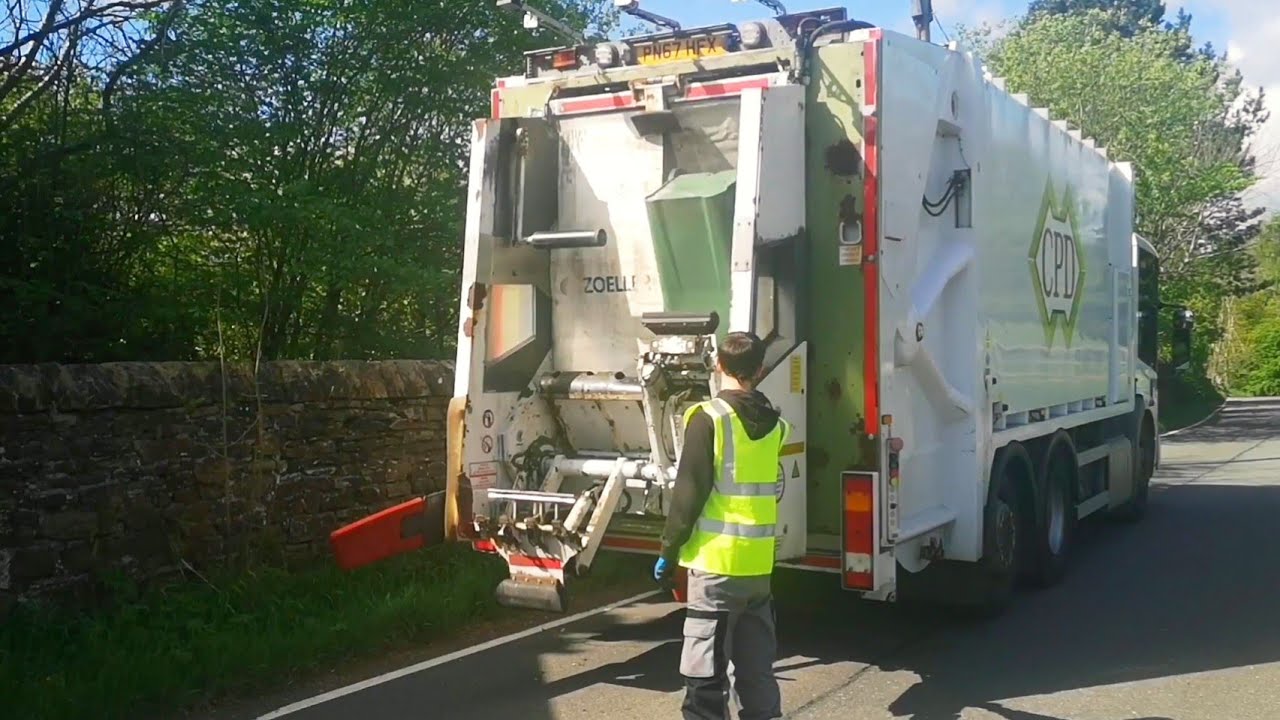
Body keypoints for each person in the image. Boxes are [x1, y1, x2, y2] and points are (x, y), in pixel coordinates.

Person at [653, 331, 790, 720]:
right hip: (758, 570)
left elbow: (688, 496)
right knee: (756, 672)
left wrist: (668, 551)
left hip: (714, 570)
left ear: (718, 365)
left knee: (705, 679)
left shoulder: (708, 418)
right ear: (760, 370)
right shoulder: (776, 427)